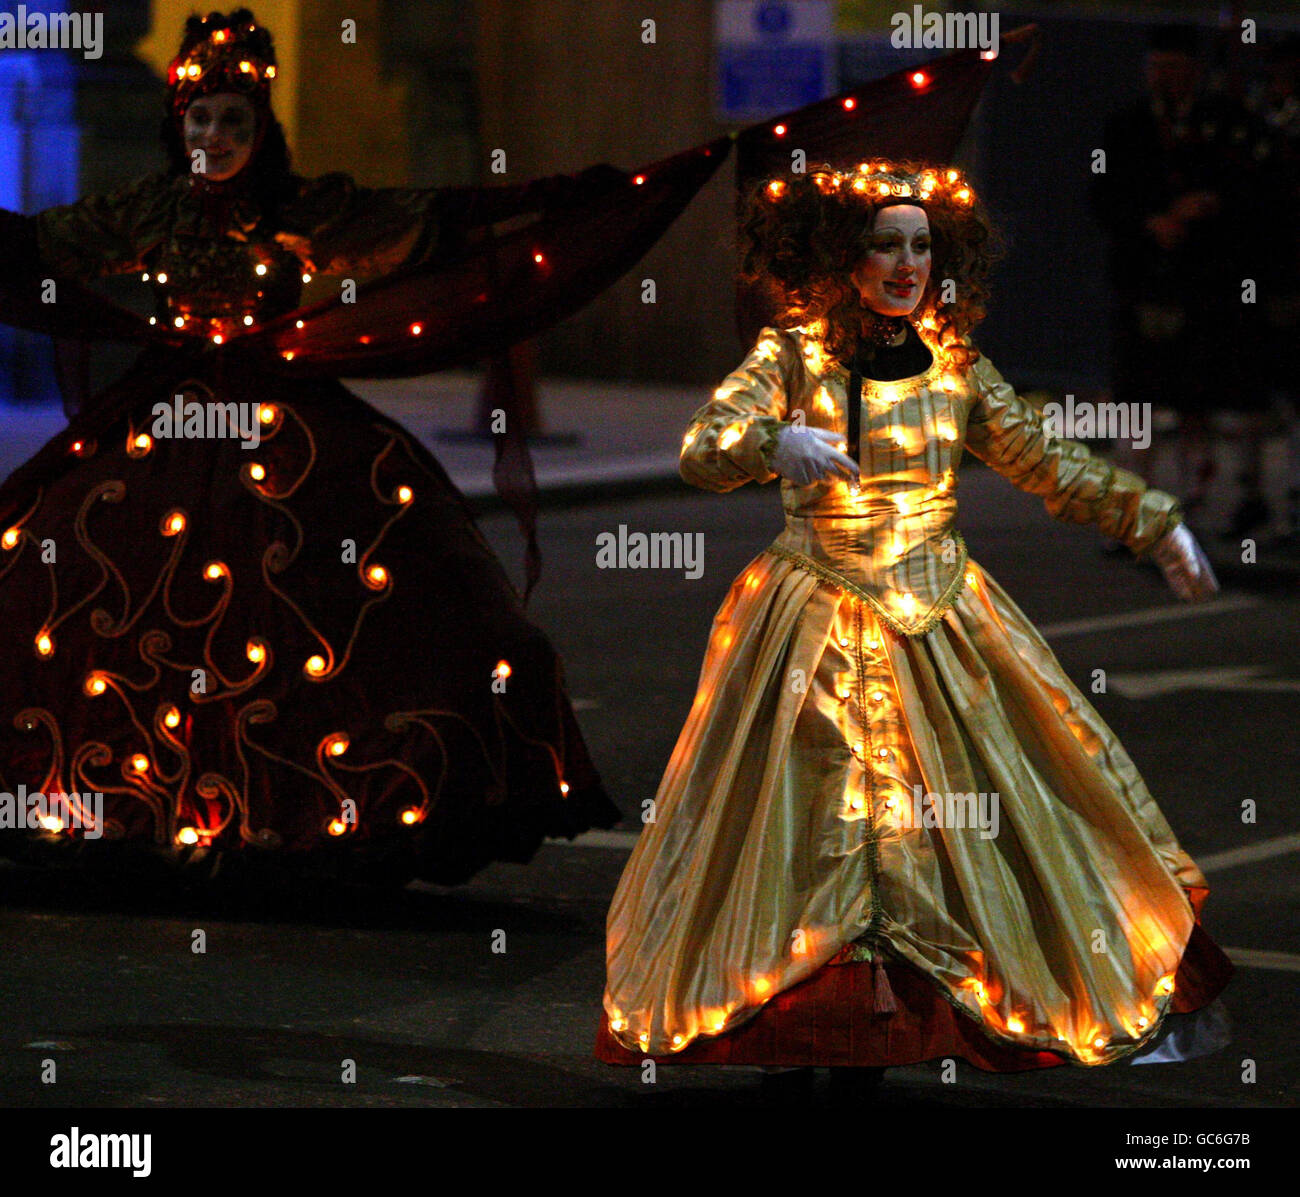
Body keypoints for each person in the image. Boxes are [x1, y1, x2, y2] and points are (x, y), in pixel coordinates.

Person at [595, 162, 1234, 1096]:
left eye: (922, 244)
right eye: (885, 244)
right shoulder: (795, 354)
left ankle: (885, 1038)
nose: (907, 263)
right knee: (800, 827)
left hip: (939, 612)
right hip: (812, 609)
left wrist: (1153, 520)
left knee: (952, 836)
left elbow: (1044, 460)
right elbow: (703, 447)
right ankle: (793, 1030)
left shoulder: (957, 362)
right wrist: (776, 441)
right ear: (842, 256)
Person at [0, 8, 622, 884]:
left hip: (280, 423)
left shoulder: (302, 207)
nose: (214, 135)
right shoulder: (152, 205)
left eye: (233, 120)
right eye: (200, 118)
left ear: (262, 129)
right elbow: (41, 243)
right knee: (63, 575)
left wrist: (551, 200)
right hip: (167, 421)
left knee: (359, 601)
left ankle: (295, 809)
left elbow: (425, 219)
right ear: (179, 124)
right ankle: (134, 801)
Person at [1091, 23, 1272, 538]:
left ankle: (1200, 498)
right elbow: (1101, 196)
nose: (1163, 77)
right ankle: (1132, 514)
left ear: (1193, 70)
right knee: (1137, 400)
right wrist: (1150, 221)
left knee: (1202, 396)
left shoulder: (1228, 124)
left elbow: (1255, 193)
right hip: (1144, 276)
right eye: (1156, 67)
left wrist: (1211, 206)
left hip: (1207, 279)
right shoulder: (1124, 128)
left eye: (1173, 67)